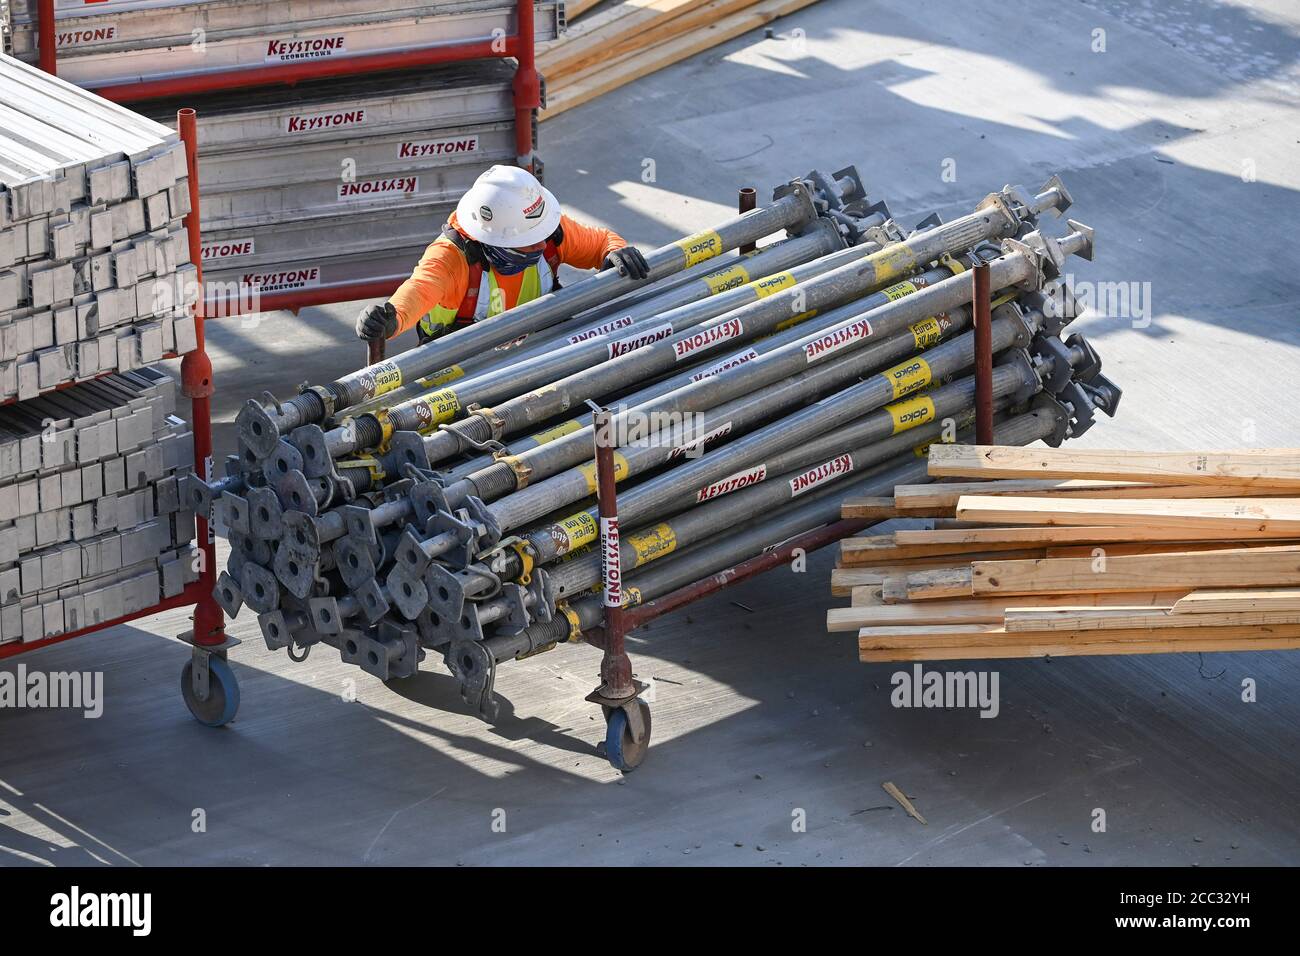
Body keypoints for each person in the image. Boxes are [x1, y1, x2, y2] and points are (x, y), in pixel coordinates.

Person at [355, 165, 650, 343]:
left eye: (541, 236)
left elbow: (600, 242)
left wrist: (616, 251)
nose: (540, 245)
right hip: (461, 375)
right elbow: (419, 290)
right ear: (491, 239)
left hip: (542, 353)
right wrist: (390, 321)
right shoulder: (451, 259)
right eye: (529, 241)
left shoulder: (545, 228)